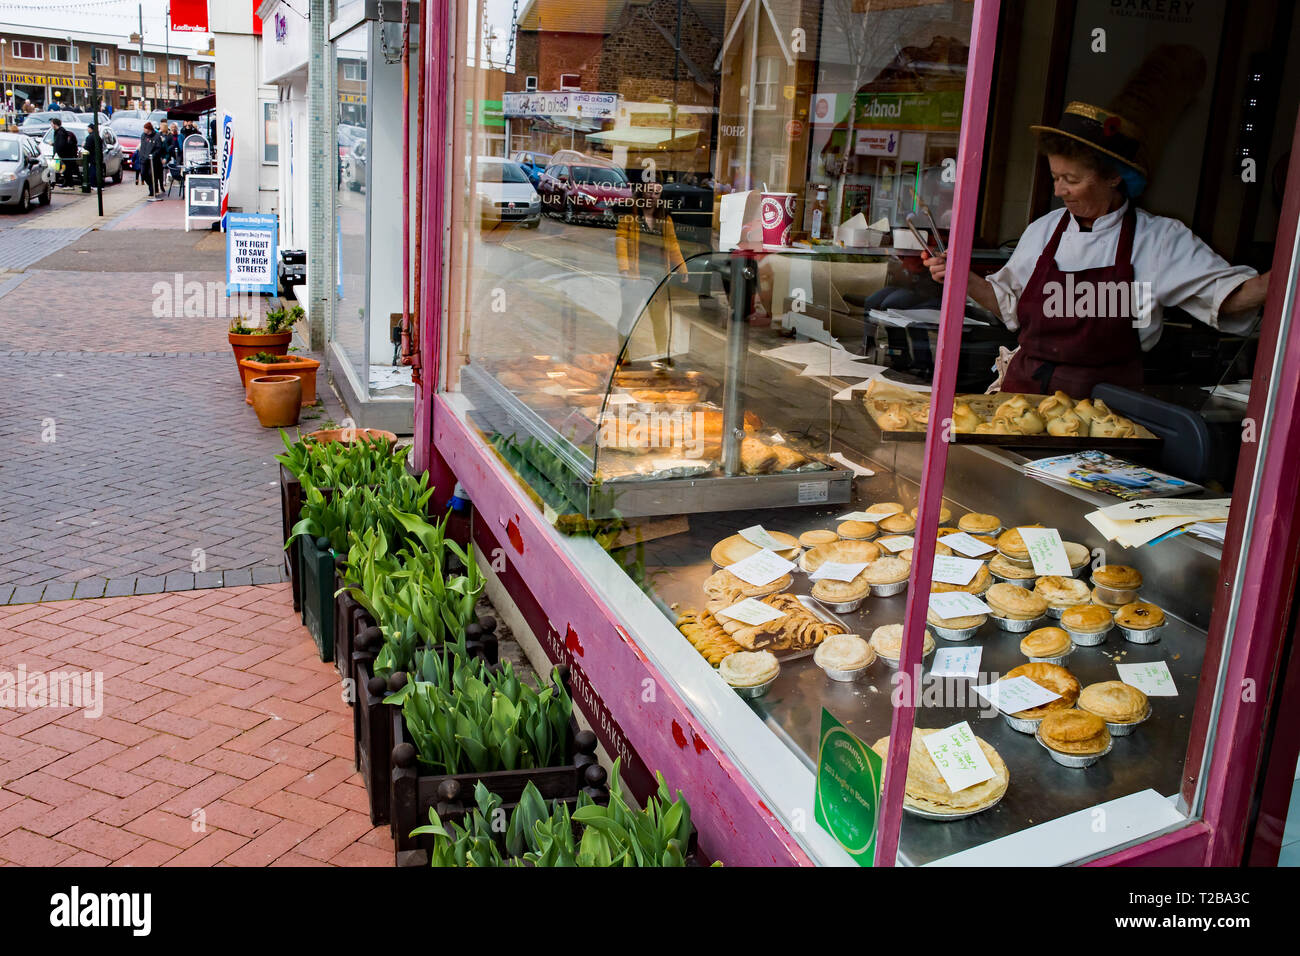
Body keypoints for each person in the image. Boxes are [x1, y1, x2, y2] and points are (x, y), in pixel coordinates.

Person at [922, 99, 1271, 396]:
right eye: (1056, 177)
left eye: (1071, 180)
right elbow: (1008, 307)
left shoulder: (1160, 239)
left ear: (1113, 176)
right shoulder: (1044, 230)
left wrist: (1279, 278)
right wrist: (960, 278)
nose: (1060, 191)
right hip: (1024, 395)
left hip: (1106, 407)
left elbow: (1230, 296)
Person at [616, 180, 687, 359]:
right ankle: (624, 357)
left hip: (657, 278)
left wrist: (682, 268)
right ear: (642, 193)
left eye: (656, 193)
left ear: (660, 197)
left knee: (659, 320)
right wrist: (624, 268)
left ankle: (661, 356)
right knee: (628, 318)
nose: (651, 196)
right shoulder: (630, 216)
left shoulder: (665, 219)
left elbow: (673, 245)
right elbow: (621, 242)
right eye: (649, 191)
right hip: (634, 278)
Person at [50, 117, 81, 188]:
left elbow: (61, 144)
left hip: (63, 155)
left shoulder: (60, 133)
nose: (51, 125)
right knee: (62, 169)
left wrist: (54, 145)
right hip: (61, 155)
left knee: (65, 169)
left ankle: (68, 184)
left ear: (55, 124)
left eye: (52, 124)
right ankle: (65, 183)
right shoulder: (60, 132)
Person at [138, 121, 163, 200]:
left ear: (149, 129)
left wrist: (153, 155)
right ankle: (152, 186)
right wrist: (141, 156)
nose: (144, 130)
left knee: (151, 174)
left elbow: (159, 148)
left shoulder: (156, 136)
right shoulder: (143, 136)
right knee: (143, 174)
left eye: (145, 129)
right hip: (143, 159)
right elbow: (142, 147)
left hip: (152, 160)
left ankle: (153, 190)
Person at [83, 123, 103, 189]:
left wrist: (84, 145)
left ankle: (93, 184)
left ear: (91, 129)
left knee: (93, 171)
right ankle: (99, 184)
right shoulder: (98, 136)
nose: (87, 130)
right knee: (98, 170)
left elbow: (87, 147)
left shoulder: (90, 137)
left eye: (88, 128)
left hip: (93, 157)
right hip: (99, 156)